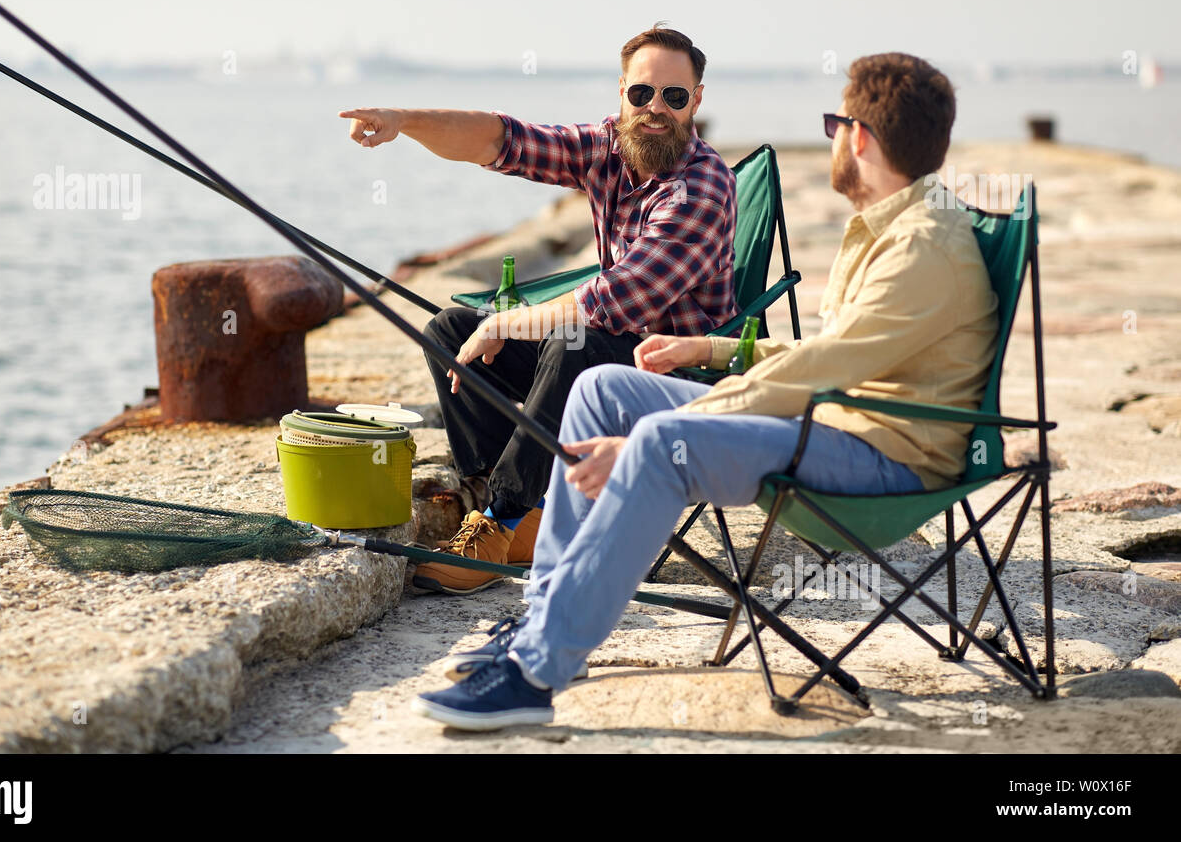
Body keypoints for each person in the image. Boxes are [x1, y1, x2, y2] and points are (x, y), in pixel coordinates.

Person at [411, 51, 1001, 730]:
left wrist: (650, 439)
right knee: (603, 388)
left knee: (658, 441)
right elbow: (831, 353)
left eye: (836, 124)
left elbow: (822, 368)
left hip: (878, 452)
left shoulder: (918, 247)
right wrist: (715, 349)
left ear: (859, 137)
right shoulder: (889, 223)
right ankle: (546, 621)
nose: (835, 136)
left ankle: (536, 670)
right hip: (832, 419)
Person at [340, 25, 738, 595]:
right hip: (610, 357)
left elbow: (619, 299)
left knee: (575, 341)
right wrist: (405, 121)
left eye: (674, 97)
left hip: (677, 379)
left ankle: (501, 517)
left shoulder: (702, 188)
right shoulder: (608, 149)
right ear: (621, 92)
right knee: (451, 330)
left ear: (696, 101)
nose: (655, 109)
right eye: (641, 94)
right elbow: (503, 140)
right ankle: (506, 515)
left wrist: (505, 322)